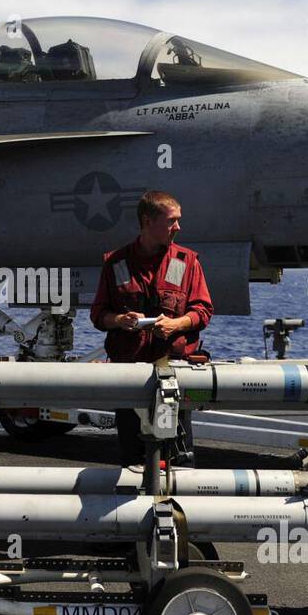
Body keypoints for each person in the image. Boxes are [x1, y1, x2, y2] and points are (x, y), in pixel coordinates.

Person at [89, 190, 213, 466]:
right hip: (130, 378)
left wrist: (175, 324)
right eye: (171, 221)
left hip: (171, 376)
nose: (178, 227)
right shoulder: (116, 262)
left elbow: (202, 311)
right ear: (147, 221)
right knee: (133, 460)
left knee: (177, 459)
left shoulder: (186, 261)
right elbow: (98, 314)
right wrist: (120, 321)